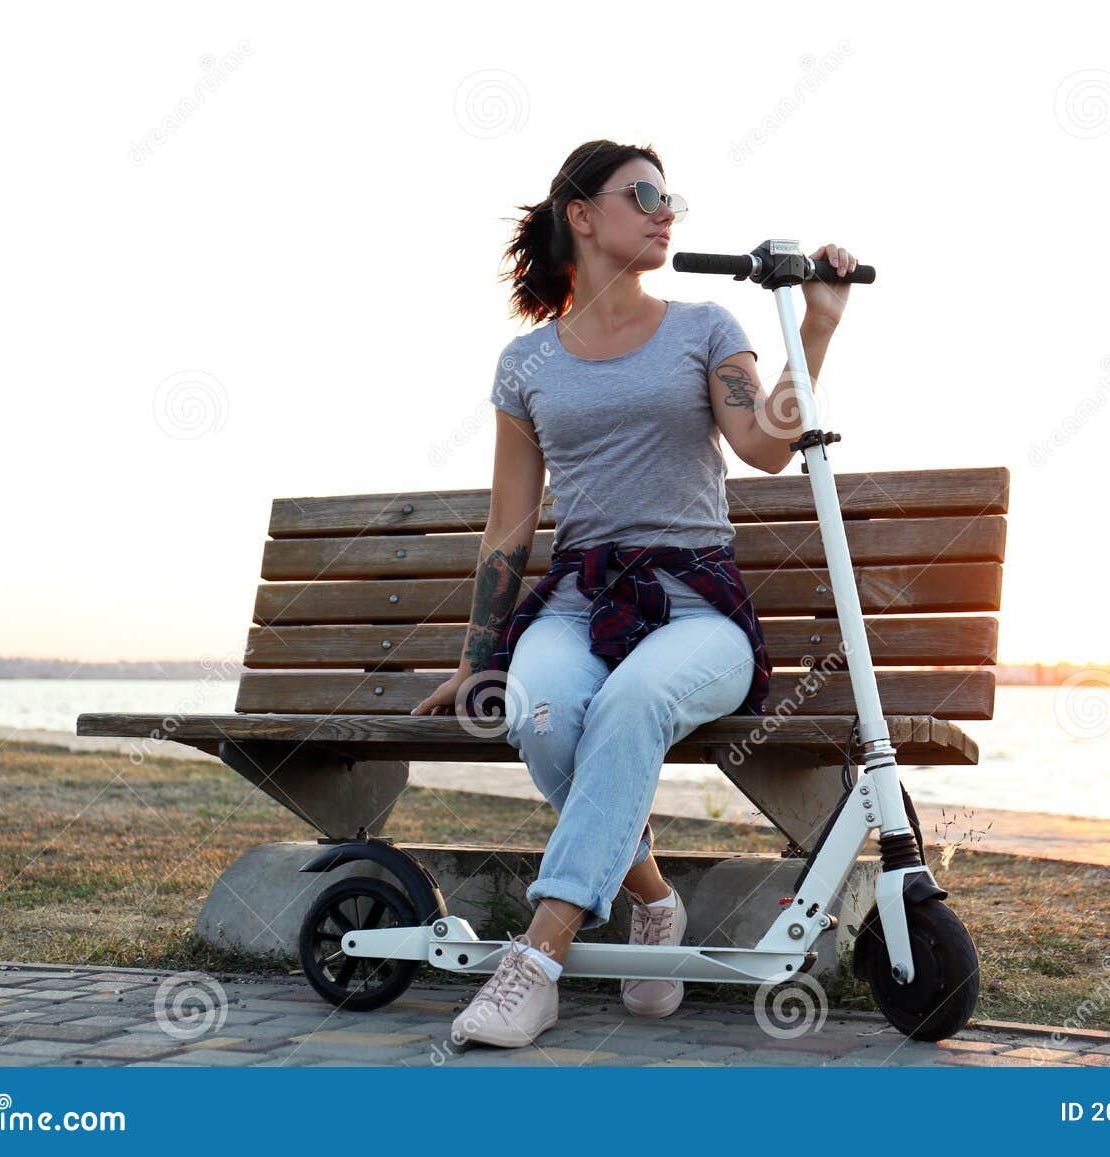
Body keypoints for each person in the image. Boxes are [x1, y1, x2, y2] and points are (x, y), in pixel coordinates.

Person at [410, 138, 857, 1048]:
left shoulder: (705, 328)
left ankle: (536, 959)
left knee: (634, 700)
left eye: (671, 199)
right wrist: (474, 661)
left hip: (696, 604)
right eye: (644, 193)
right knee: (535, 709)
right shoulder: (525, 364)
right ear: (582, 215)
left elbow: (766, 446)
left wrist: (814, 324)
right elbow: (510, 526)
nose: (666, 211)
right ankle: (652, 899)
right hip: (579, 599)